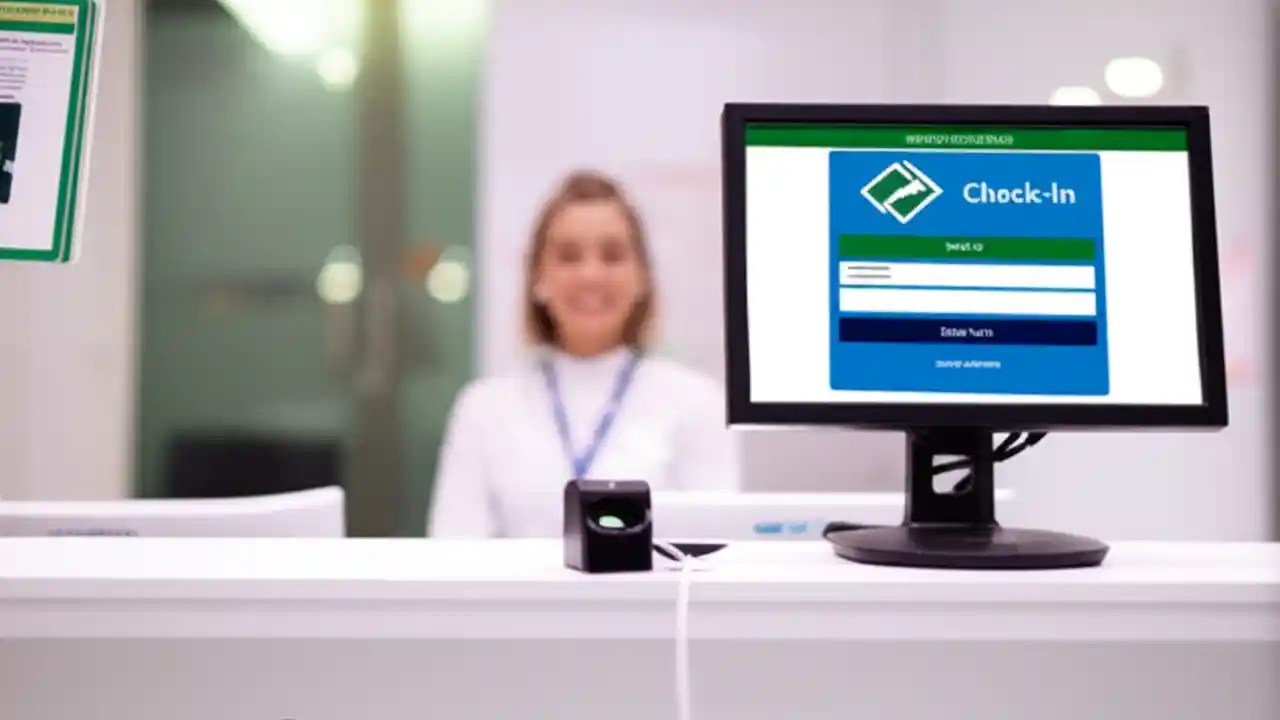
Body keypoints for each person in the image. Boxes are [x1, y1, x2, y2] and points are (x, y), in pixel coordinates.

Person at [428, 170, 739, 537]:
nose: (591, 275)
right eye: (569, 256)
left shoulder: (697, 402)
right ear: (539, 279)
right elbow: (452, 555)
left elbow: (720, 552)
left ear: (641, 277)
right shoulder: (483, 409)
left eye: (612, 255)